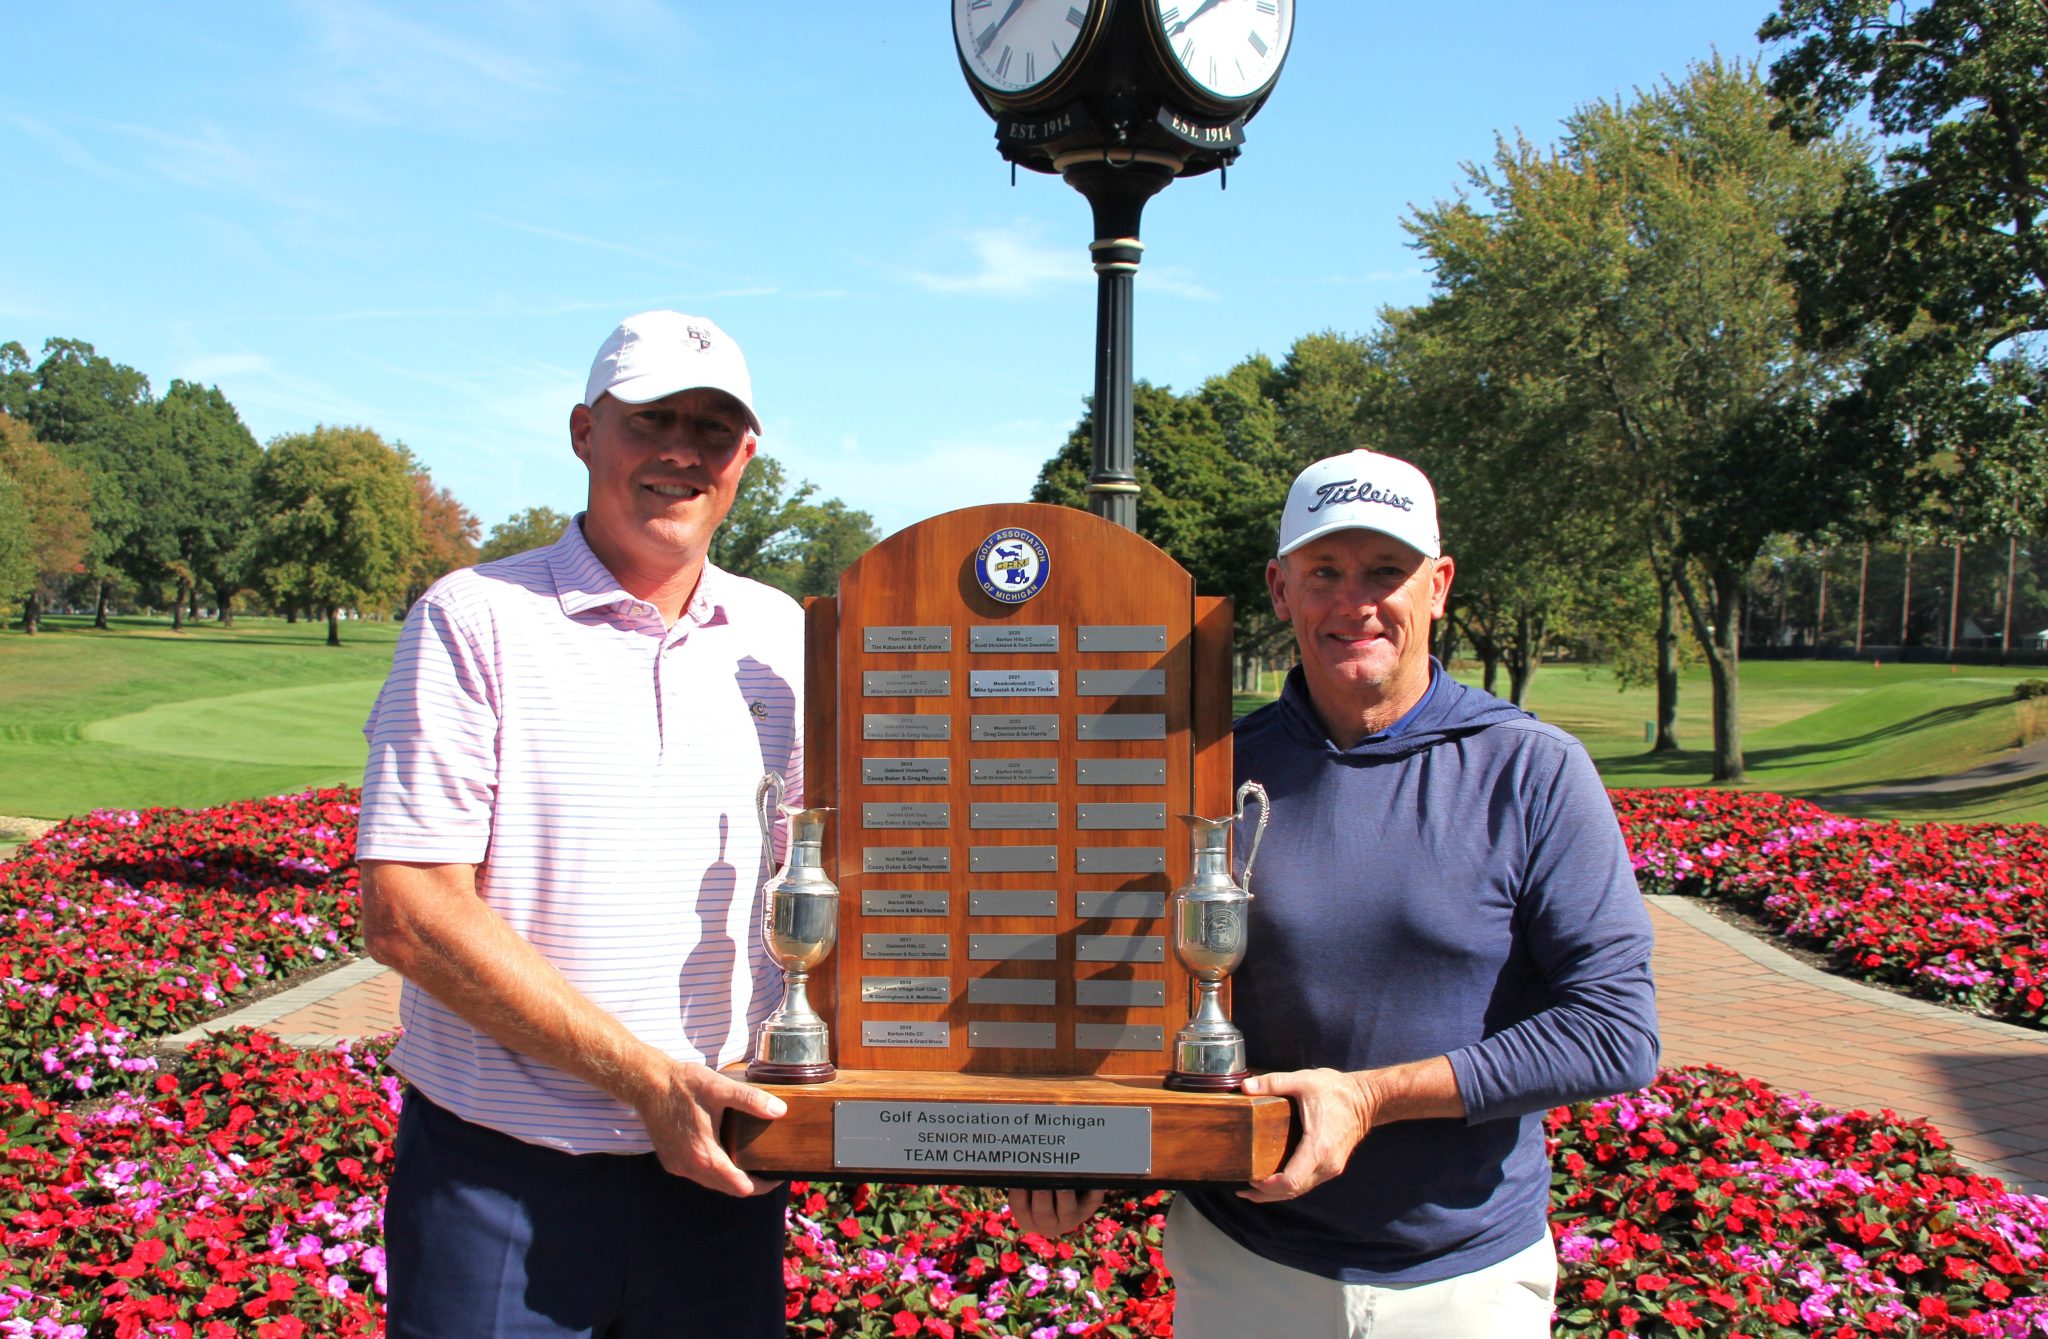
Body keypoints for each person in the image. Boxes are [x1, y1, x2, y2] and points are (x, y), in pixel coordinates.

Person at [1013, 449, 1659, 1338]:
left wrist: (1370, 1096)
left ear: (1438, 585)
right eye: (1324, 572)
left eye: (1386, 571)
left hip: (1463, 1279)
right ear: (1280, 589)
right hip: (1244, 1264)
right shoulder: (1208, 772)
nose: (1355, 602)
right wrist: (1075, 1148)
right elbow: (1122, 995)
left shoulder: (1533, 769)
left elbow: (1615, 1032)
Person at [357, 310, 804, 1338]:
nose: (681, 451)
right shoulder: (475, 615)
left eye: (712, 426)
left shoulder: (782, 634)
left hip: (724, 1177)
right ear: (583, 431)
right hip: (503, 1181)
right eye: (651, 419)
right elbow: (410, 910)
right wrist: (643, 1079)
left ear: (745, 455)